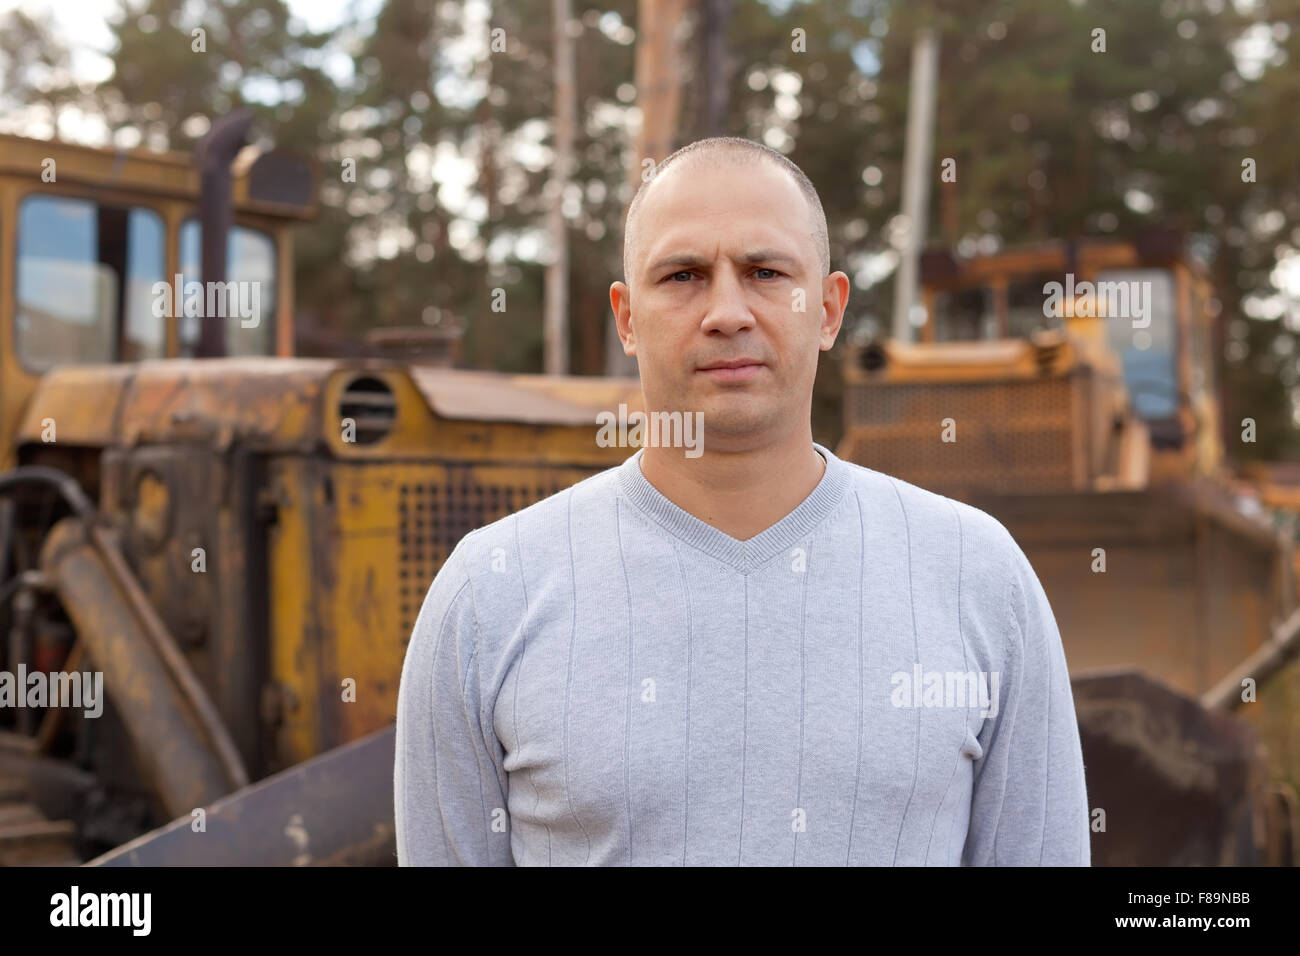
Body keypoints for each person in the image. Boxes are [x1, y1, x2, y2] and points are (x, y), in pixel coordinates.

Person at [395, 136, 1090, 866]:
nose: (727, 311)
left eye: (764, 272)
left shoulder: (978, 577)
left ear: (827, 309)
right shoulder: (490, 594)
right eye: (684, 274)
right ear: (626, 319)